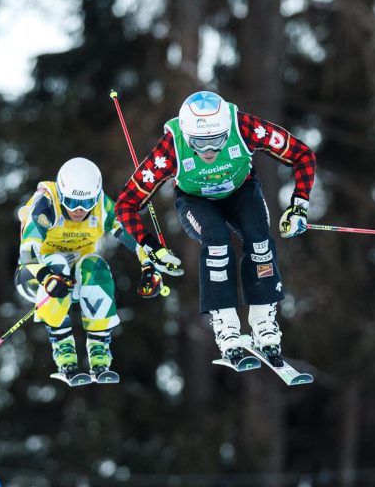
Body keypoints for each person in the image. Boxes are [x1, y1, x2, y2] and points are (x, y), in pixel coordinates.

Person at [114, 90, 316, 367]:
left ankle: (263, 320)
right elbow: (126, 203)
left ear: (227, 130)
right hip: (196, 202)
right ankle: (226, 325)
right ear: (186, 136)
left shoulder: (243, 127)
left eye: (217, 141)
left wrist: (299, 206)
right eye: (198, 143)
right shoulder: (171, 146)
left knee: (260, 241)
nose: (208, 151)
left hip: (241, 191)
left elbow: (302, 154)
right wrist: (151, 247)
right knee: (218, 241)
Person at [14, 157, 159, 378]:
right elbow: (28, 253)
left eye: (87, 202)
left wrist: (149, 266)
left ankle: (99, 349)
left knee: (96, 266)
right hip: (35, 276)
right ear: (62, 194)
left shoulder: (102, 206)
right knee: (57, 264)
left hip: (76, 279)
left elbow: (132, 236)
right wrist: (47, 277)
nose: (79, 210)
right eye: (71, 202)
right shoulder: (46, 204)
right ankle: (63, 348)